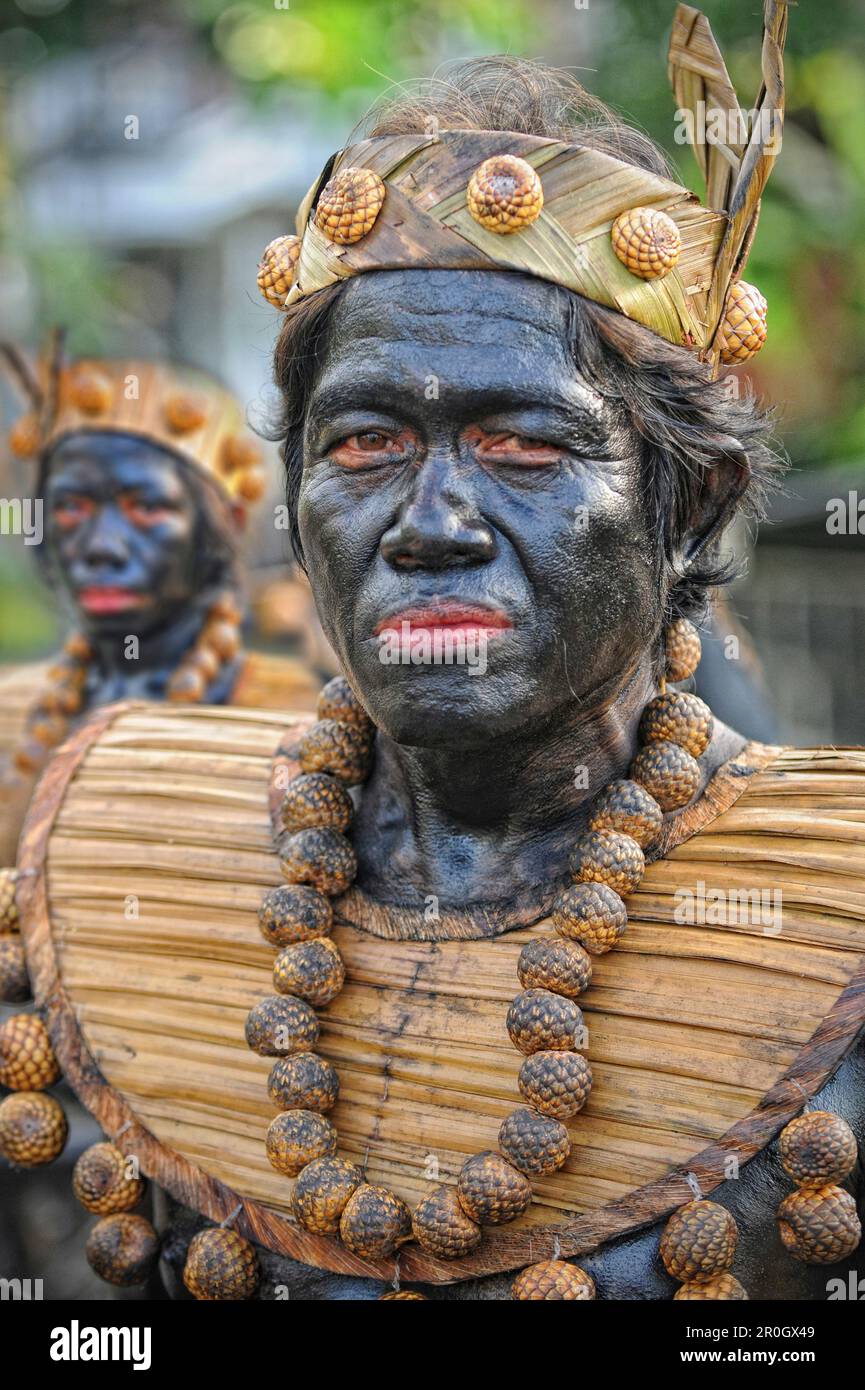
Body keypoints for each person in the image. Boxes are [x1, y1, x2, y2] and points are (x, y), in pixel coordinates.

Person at [7, 2, 865, 1301]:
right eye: (364, 446)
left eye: (523, 445)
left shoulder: (838, 936)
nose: (433, 525)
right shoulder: (91, 882)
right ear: (293, 509)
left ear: (690, 499)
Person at [0, 345, 318, 863]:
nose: (102, 546)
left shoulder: (294, 719)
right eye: (72, 507)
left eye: (146, 507)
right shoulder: (12, 714)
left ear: (226, 526)